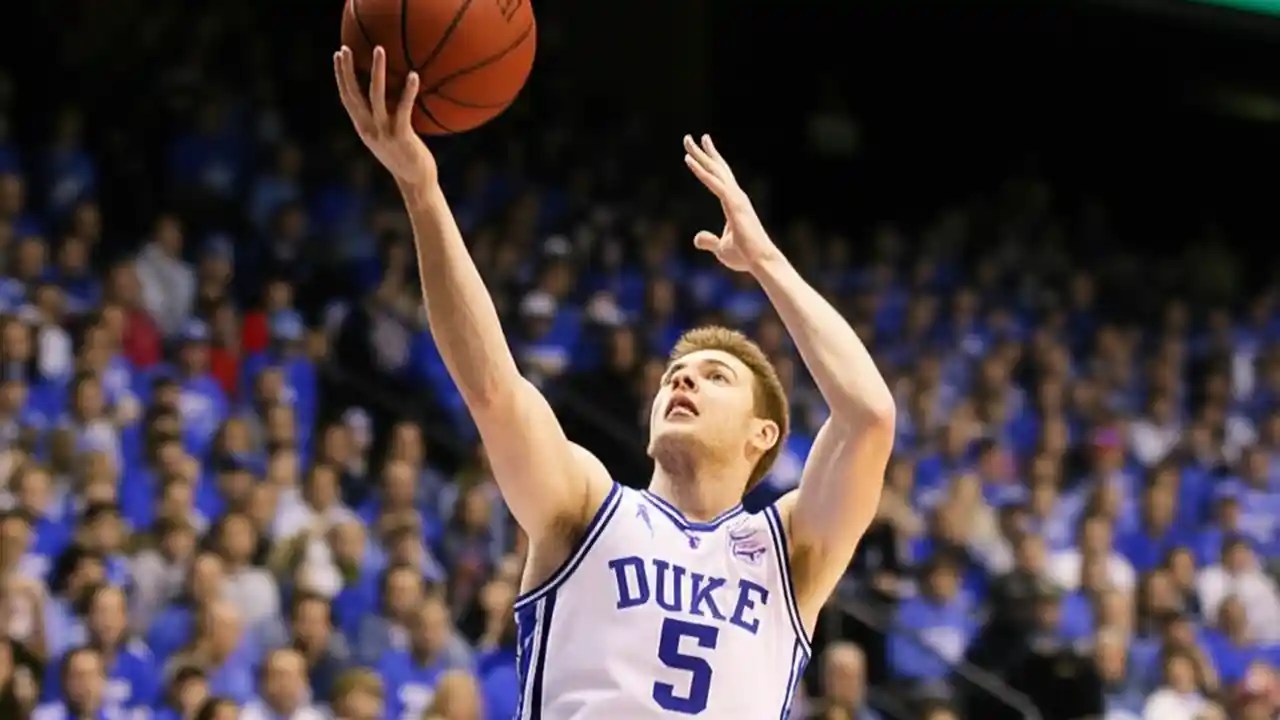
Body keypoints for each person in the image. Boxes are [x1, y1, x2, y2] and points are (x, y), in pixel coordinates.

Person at [333, 45, 896, 718]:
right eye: (673, 376)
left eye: (714, 377)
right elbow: (492, 387)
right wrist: (421, 192)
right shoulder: (587, 506)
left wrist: (767, 260)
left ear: (763, 434)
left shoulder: (789, 551)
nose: (681, 384)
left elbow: (869, 417)